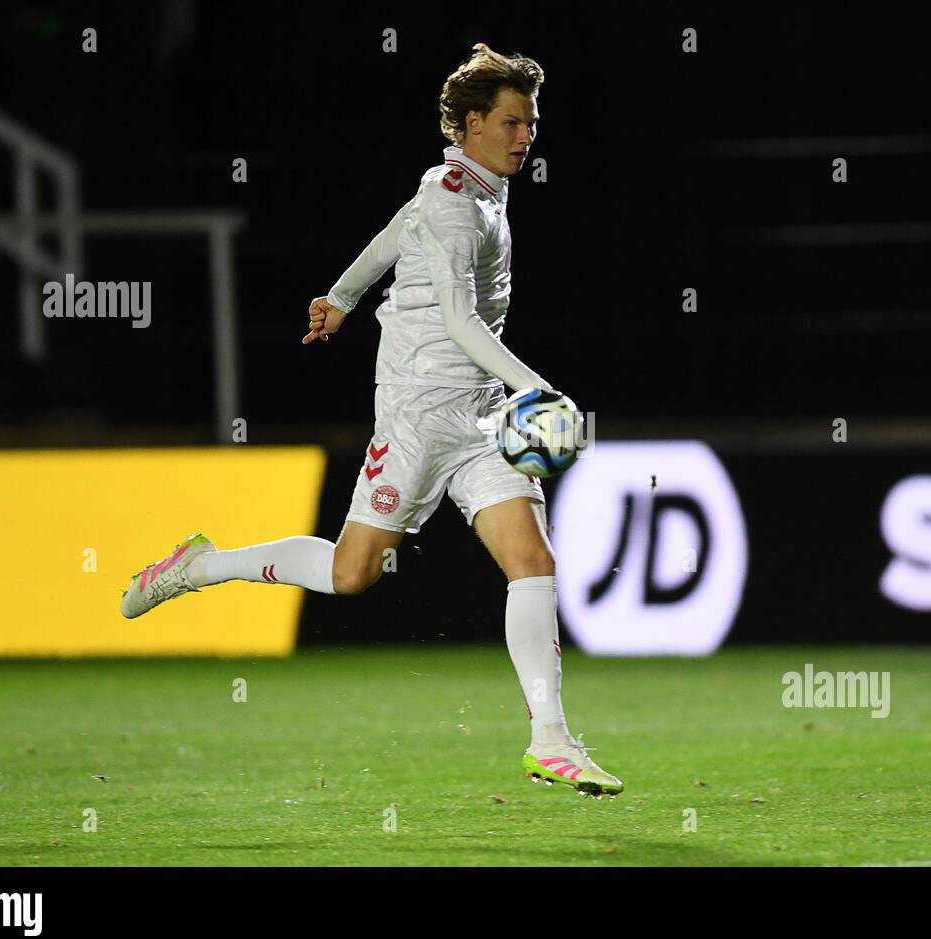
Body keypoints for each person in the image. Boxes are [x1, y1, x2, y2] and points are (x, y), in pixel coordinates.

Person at [121, 43, 622, 798]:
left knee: (533, 561)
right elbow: (457, 318)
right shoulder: (458, 206)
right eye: (514, 122)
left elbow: (395, 231)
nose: (527, 137)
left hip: (480, 415)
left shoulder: (460, 186)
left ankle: (550, 739)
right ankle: (202, 565)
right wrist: (539, 389)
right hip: (419, 415)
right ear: (471, 123)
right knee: (351, 572)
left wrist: (343, 297)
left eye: (533, 123)